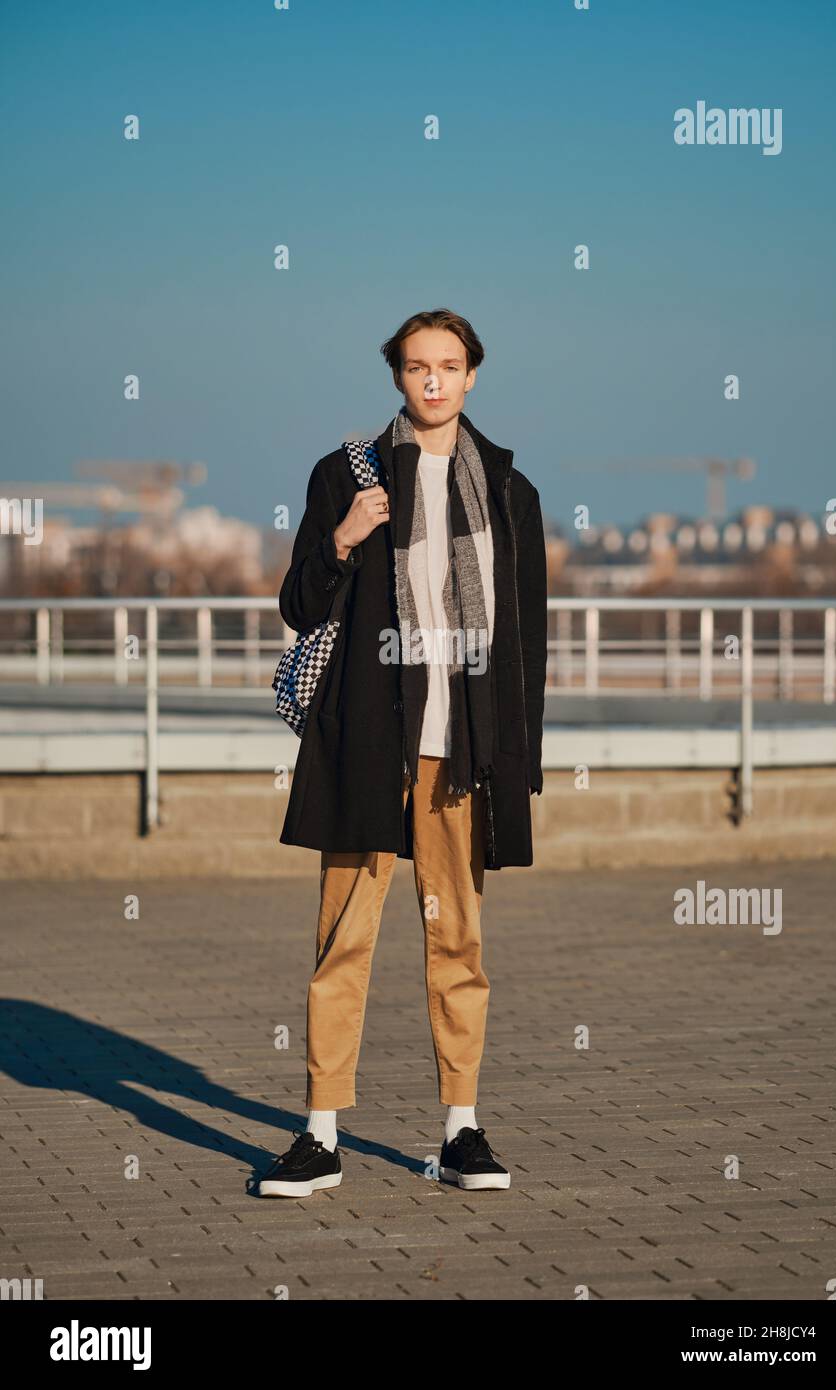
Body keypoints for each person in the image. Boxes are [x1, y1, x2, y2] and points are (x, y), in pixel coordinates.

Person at [259, 308, 547, 1198]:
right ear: (397, 376)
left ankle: (462, 1132)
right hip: (369, 745)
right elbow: (299, 605)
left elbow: (527, 639)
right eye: (417, 366)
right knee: (342, 941)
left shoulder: (509, 493)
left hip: (460, 752)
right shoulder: (344, 475)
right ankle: (320, 1135)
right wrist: (344, 538)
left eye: (448, 366)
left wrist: (519, 758)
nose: (432, 380)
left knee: (458, 940)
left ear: (472, 377)